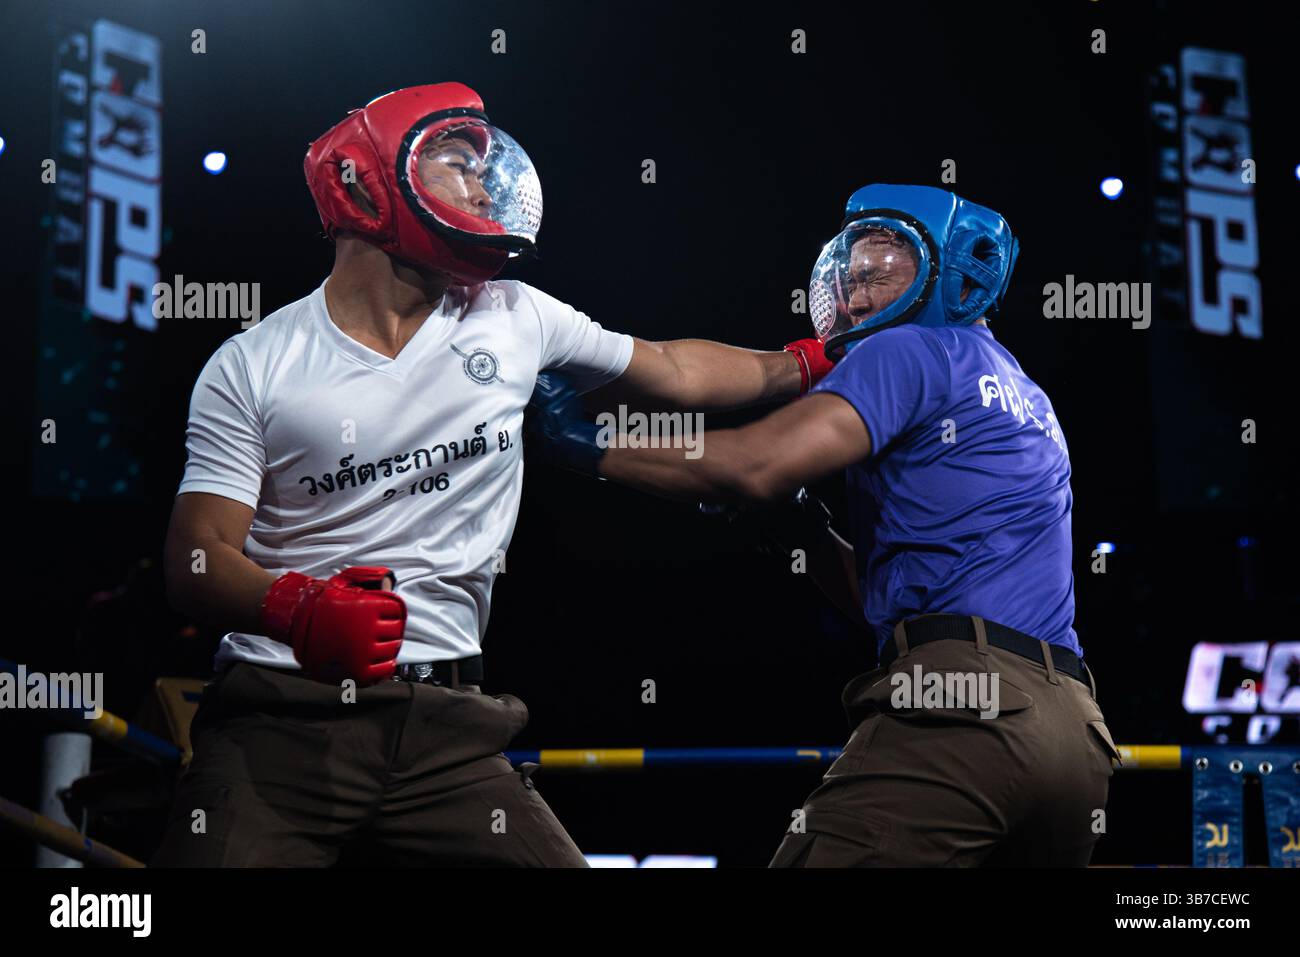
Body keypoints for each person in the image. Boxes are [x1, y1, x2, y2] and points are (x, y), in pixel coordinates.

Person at [152, 82, 832, 867]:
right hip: (279, 717)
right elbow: (195, 557)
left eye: (482, 167)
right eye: (454, 162)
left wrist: (808, 362)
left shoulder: (513, 314)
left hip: (451, 727)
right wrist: (300, 608)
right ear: (366, 182)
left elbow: (675, 372)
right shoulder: (254, 364)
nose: (482, 187)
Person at [532, 184, 1121, 866]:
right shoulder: (1024, 392)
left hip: (967, 715)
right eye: (844, 281)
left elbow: (757, 463)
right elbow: (905, 606)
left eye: (874, 276)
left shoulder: (909, 351)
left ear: (949, 274)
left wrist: (588, 443)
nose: (855, 300)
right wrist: (804, 533)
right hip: (1077, 734)